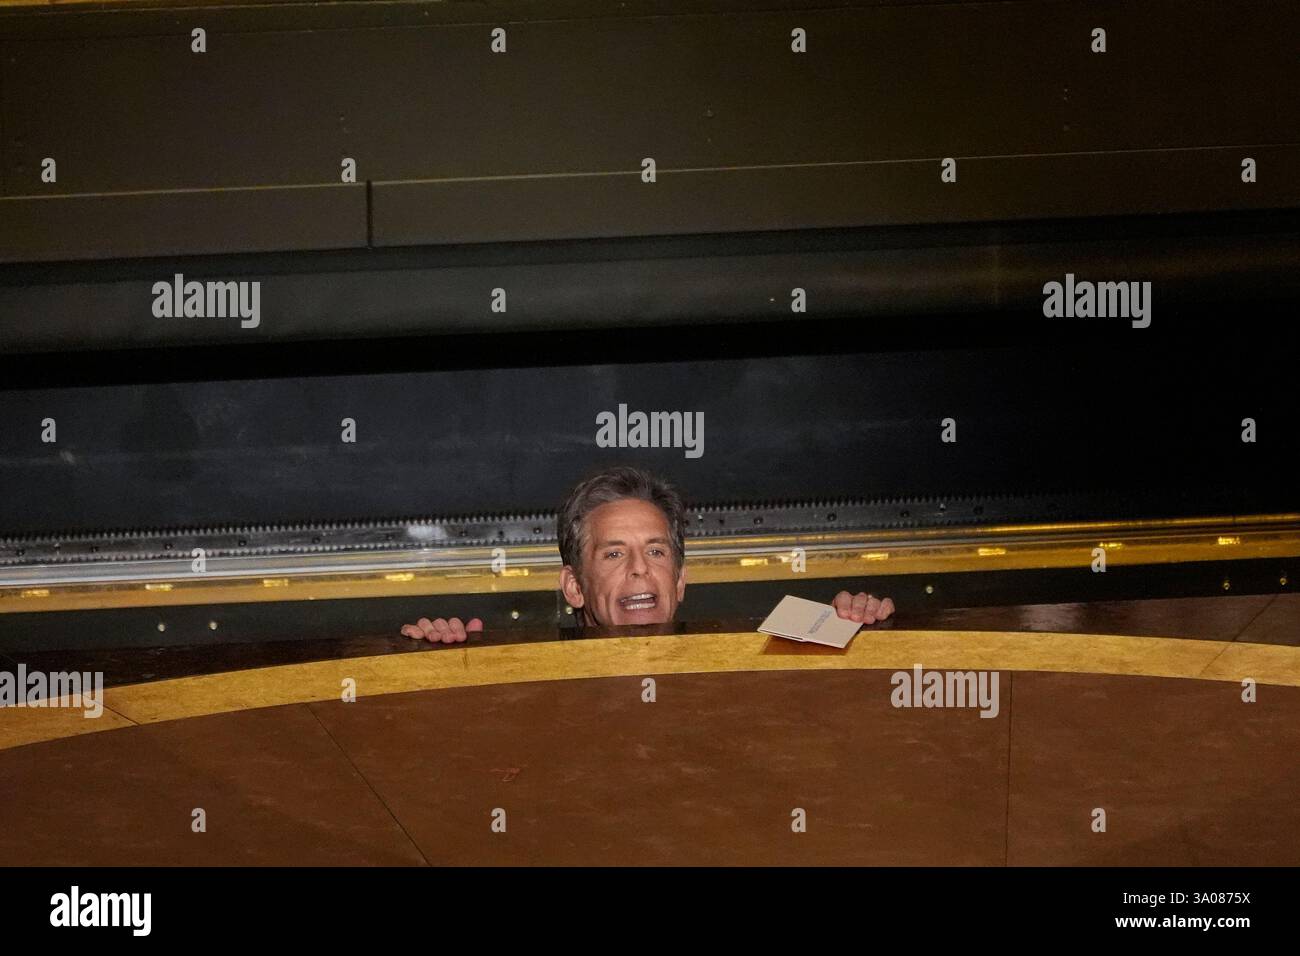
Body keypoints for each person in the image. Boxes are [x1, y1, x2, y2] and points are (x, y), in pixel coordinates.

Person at [401, 466, 895, 643]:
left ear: (679, 581)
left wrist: (856, 628)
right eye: (614, 555)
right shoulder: (529, 675)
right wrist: (433, 659)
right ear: (574, 586)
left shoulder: (751, 656)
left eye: (656, 551)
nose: (640, 568)